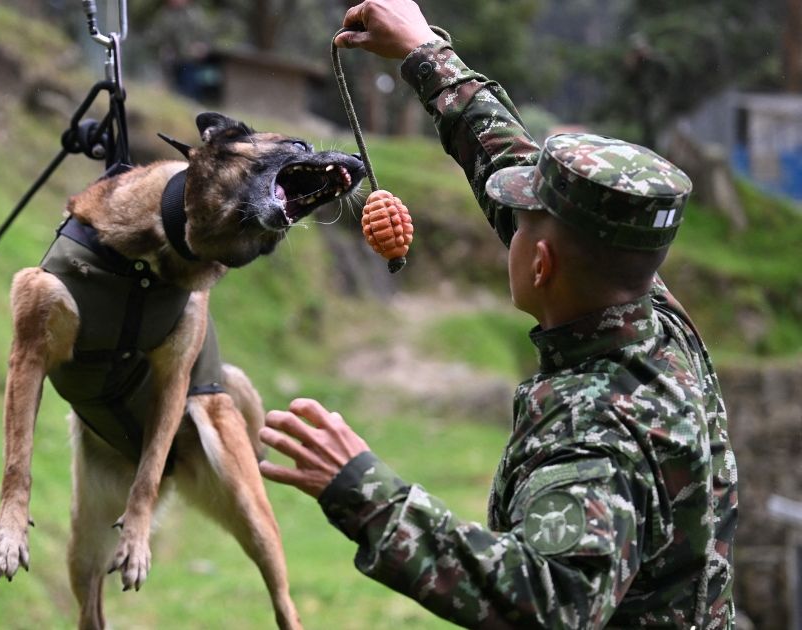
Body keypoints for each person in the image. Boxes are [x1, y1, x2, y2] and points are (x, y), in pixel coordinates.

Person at [257, 1, 739, 627]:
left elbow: (549, 602)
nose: (506, 225)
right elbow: (510, 167)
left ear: (540, 263)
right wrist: (423, 52)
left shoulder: (594, 433)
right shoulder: (652, 317)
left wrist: (366, 493)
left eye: (518, 223)